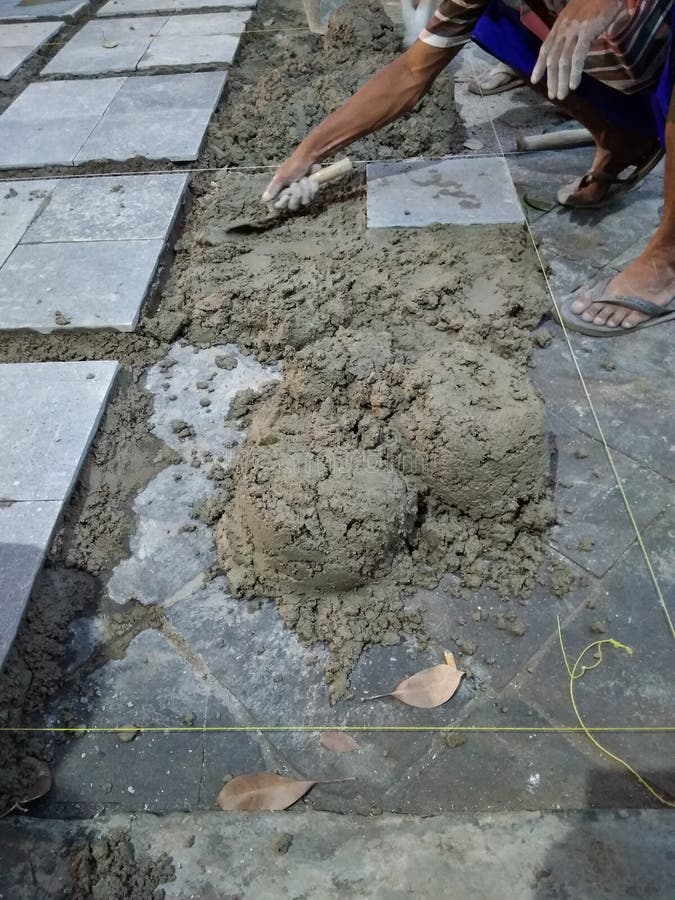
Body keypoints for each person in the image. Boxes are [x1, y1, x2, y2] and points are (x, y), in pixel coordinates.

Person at [262, 0, 675, 337]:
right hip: (632, 64)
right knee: (493, 20)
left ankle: (667, 260)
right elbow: (411, 72)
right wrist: (309, 153)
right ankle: (621, 137)